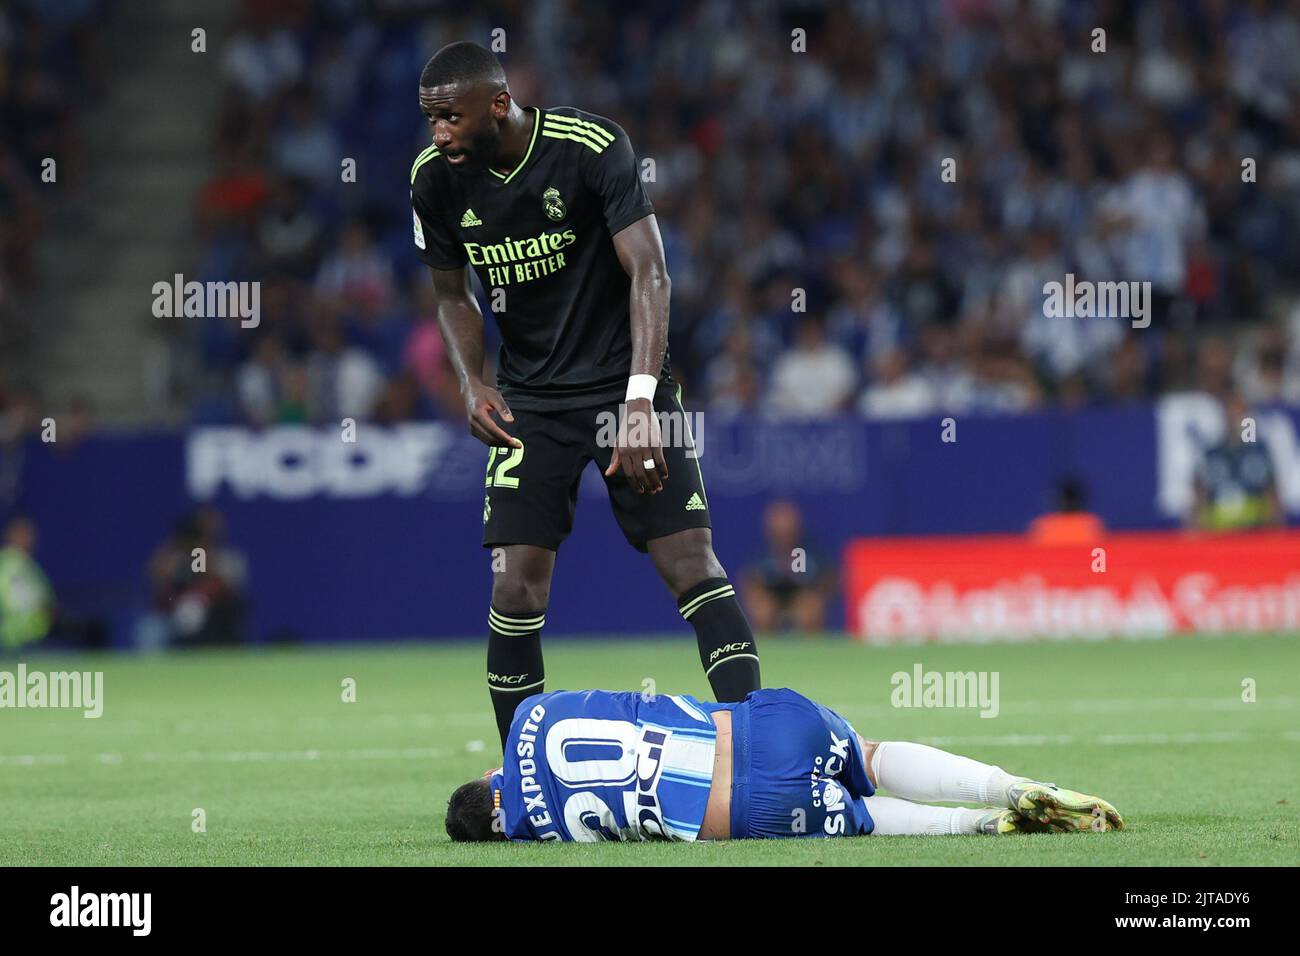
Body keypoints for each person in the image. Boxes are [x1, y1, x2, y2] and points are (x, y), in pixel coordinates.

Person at [410, 42, 760, 749]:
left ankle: (756, 744)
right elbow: (451, 295)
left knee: (690, 561)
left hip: (625, 382)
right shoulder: (434, 181)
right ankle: (520, 772)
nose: (438, 133)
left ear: (498, 104)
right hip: (528, 401)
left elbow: (651, 275)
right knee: (514, 586)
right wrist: (471, 379)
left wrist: (638, 404)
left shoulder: (592, 147)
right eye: (430, 120)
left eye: (450, 117)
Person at [444, 686, 1124, 842]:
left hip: (749, 813)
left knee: (862, 818)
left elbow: (510, 810)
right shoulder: (539, 714)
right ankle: (1005, 786)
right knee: (873, 756)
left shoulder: (531, 832)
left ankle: (975, 827)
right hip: (759, 730)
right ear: (487, 777)